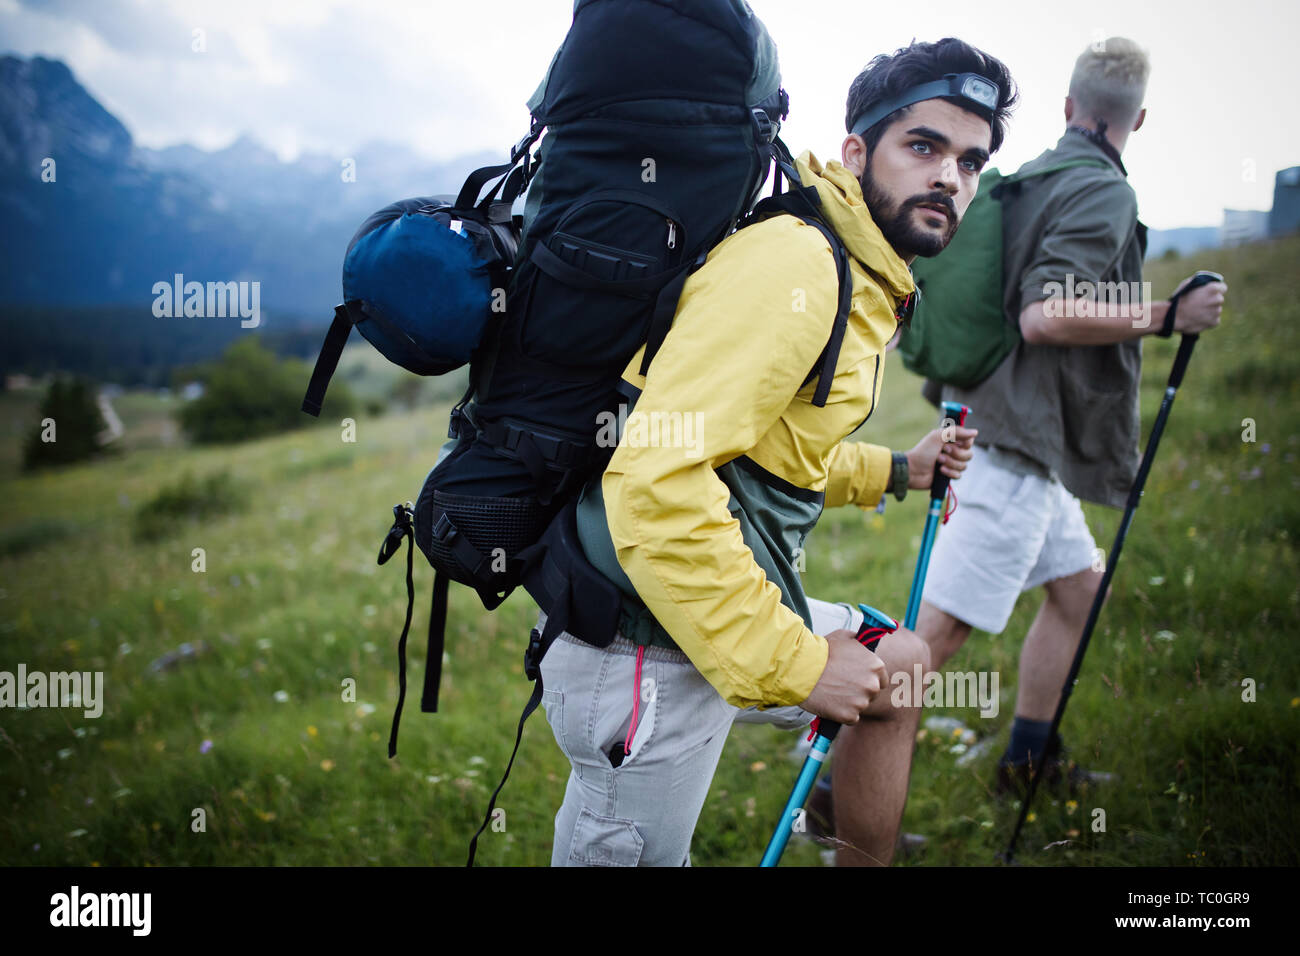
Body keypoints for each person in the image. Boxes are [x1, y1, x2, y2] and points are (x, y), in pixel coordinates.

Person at [537, 38, 1017, 866]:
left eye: (971, 163)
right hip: (641, 643)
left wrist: (899, 470)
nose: (950, 177)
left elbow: (768, 453)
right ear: (857, 152)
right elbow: (655, 479)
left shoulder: (858, 273)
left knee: (896, 669)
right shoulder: (797, 265)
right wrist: (797, 662)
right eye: (925, 147)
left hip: (710, 609)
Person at [904, 38, 1228, 794]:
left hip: (1013, 437)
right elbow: (1045, 316)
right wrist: (1166, 313)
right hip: (1012, 444)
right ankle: (832, 799)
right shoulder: (1104, 191)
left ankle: (1027, 763)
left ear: (1068, 108)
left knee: (1081, 588)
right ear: (1137, 119)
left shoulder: (1027, 180)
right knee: (930, 641)